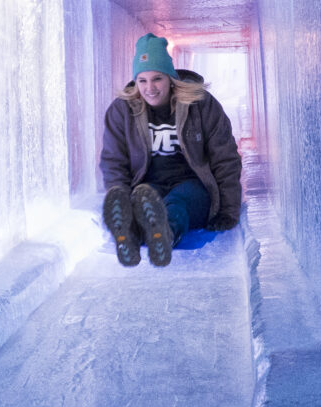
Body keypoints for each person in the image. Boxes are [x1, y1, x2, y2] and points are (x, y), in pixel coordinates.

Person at [99, 33, 243, 267]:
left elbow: (224, 157)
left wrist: (228, 210)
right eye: (142, 80)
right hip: (148, 185)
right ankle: (130, 229)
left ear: (170, 78)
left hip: (193, 184)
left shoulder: (200, 104)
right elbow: (114, 162)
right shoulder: (122, 111)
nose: (150, 88)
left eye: (157, 79)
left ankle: (164, 234)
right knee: (144, 199)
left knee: (179, 202)